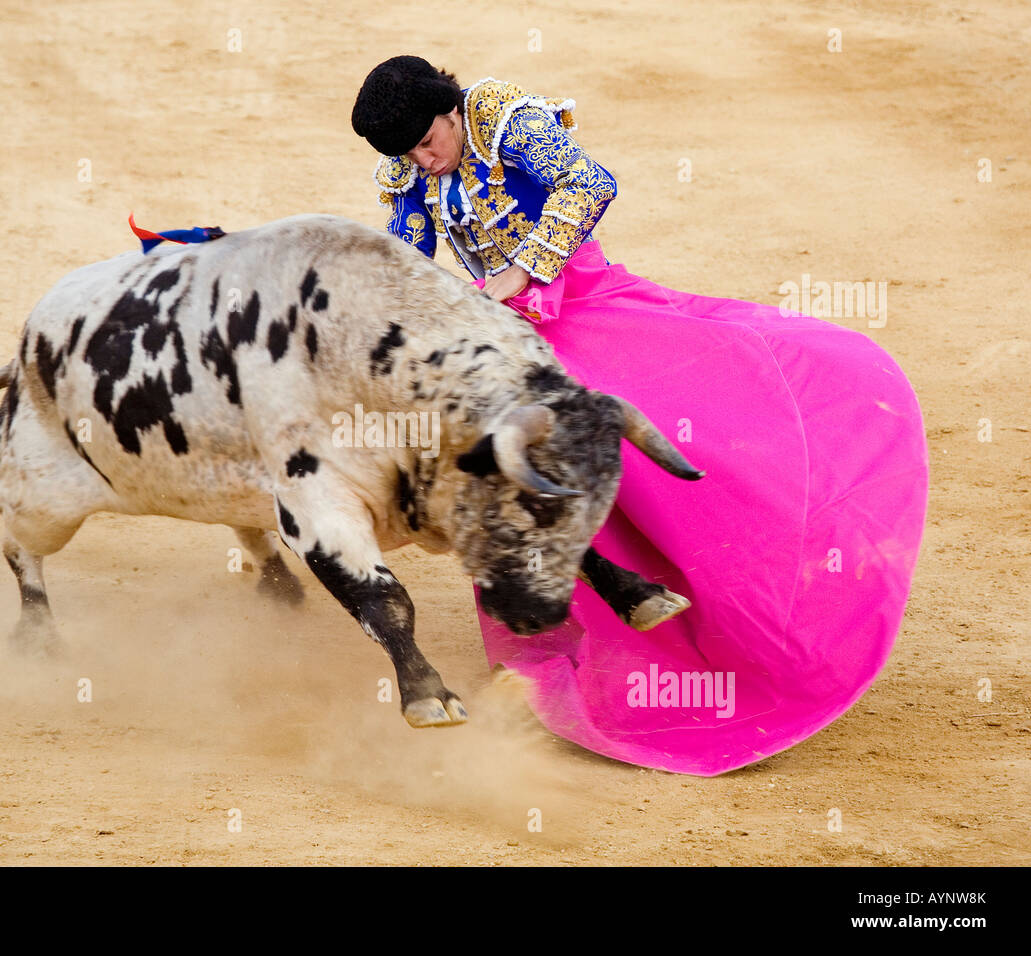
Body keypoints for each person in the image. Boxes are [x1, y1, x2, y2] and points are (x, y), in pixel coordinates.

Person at [351, 55, 930, 775]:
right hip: (513, 335)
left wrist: (515, 274)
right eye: (405, 155)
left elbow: (591, 181)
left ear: (447, 109)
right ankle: (567, 637)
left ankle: (734, 629)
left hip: (588, 307)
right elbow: (408, 251)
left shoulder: (503, 117)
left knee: (675, 445)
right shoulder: (414, 168)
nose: (421, 161)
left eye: (425, 143)